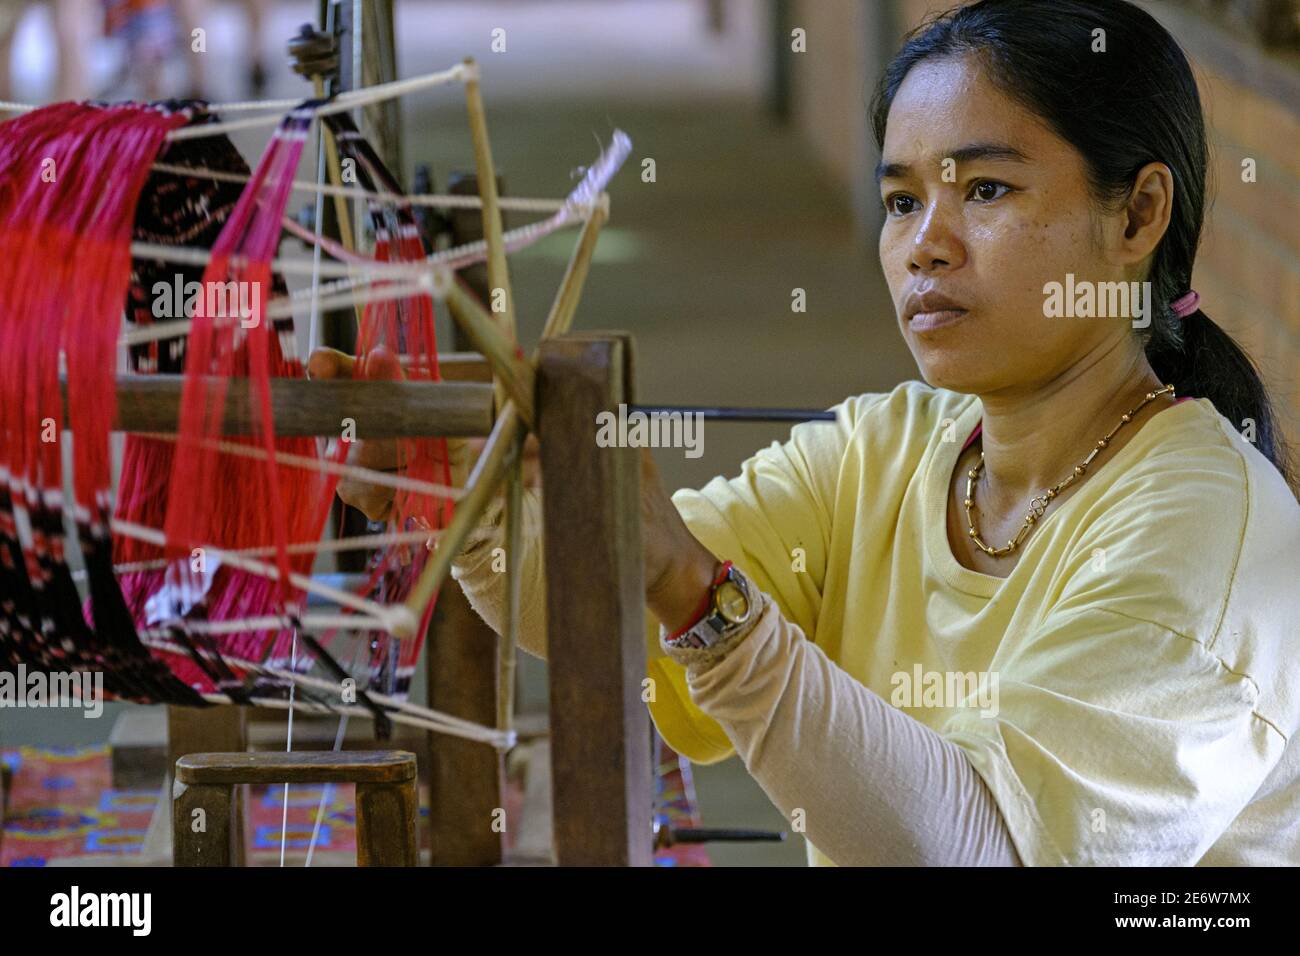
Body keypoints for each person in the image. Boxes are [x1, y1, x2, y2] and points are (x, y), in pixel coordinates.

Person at [310, 0, 1300, 866]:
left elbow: (977, 846)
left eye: (985, 190)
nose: (925, 244)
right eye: (902, 200)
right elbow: (604, 607)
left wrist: (701, 595)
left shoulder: (1210, 537)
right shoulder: (889, 448)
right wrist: (461, 496)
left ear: (1137, 215)